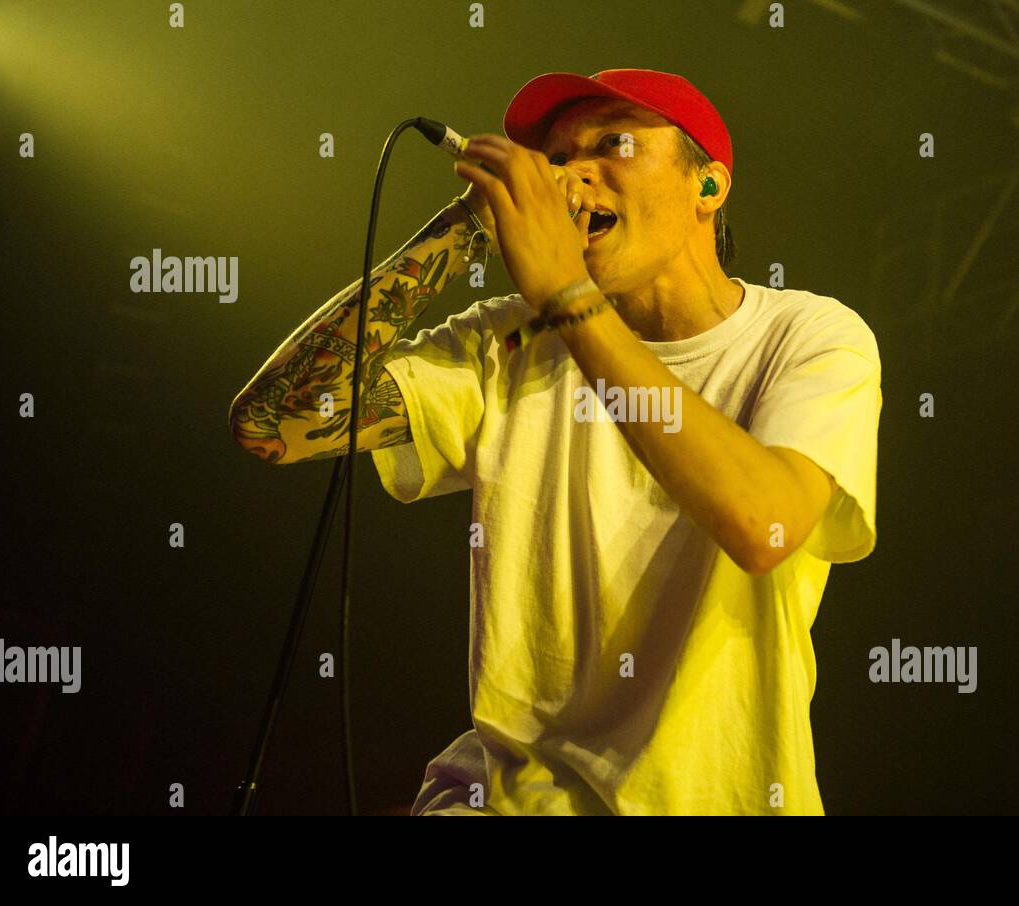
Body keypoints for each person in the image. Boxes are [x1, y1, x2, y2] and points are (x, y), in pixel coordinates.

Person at [228, 68, 882, 815]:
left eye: (614, 144)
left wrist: (567, 297)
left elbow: (763, 524)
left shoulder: (809, 335)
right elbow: (271, 423)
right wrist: (462, 228)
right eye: (559, 159)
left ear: (709, 187)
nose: (574, 175)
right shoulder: (513, 337)